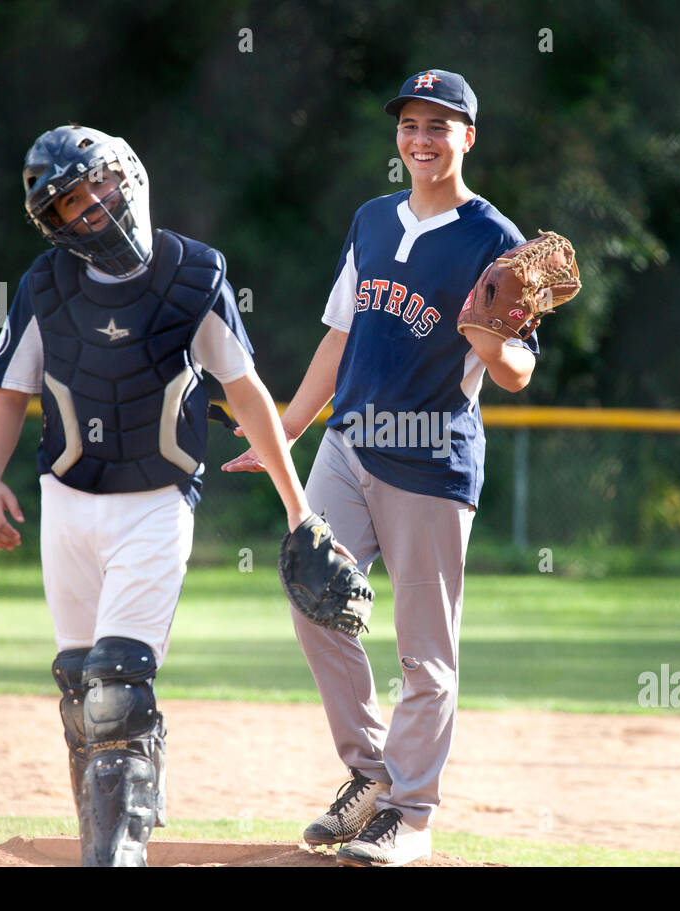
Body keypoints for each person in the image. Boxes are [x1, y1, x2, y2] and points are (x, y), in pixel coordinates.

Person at [0, 124, 327, 867]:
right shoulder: (45, 283)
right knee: (81, 689)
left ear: (127, 173)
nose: (92, 207)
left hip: (156, 502)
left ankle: (118, 857)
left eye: (96, 185)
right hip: (65, 500)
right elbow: (9, 393)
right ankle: (102, 837)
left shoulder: (194, 273)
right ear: (55, 224)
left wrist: (298, 509)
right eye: (70, 204)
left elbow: (245, 391)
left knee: (117, 686)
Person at [222, 70, 538, 866]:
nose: (421, 139)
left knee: (424, 654)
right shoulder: (370, 219)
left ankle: (412, 817)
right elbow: (340, 335)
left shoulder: (497, 241)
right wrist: (285, 431)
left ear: (469, 137)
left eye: (439, 126)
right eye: (410, 125)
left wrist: (487, 335)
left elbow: (517, 372)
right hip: (348, 445)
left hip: (430, 462)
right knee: (313, 594)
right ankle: (370, 776)